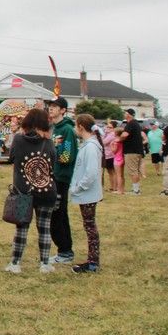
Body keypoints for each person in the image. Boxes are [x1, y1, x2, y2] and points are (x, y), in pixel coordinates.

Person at [4, 108, 57, 274]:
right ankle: (44, 263)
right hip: (47, 190)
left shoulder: (19, 140)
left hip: (23, 191)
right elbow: (53, 163)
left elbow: (11, 157)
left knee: (21, 228)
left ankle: (15, 263)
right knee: (44, 228)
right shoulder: (48, 141)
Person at [70, 114, 104, 273]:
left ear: (81, 127)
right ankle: (92, 260)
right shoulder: (89, 144)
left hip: (87, 193)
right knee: (89, 225)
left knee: (90, 227)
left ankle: (93, 262)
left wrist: (78, 188)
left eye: (75, 126)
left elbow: (90, 174)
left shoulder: (90, 146)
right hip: (87, 193)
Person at [46, 97, 78, 264]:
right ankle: (64, 250)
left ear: (63, 110)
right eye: (50, 106)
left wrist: (50, 156)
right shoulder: (55, 129)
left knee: (57, 215)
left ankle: (65, 251)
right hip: (53, 176)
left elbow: (67, 156)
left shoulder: (66, 130)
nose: (51, 109)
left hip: (61, 178)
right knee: (57, 215)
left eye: (55, 106)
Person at [119, 108, 144, 195]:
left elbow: (125, 134)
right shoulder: (136, 123)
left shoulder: (130, 123)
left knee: (132, 171)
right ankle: (136, 189)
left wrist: (119, 139)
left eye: (125, 113)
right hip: (137, 150)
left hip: (131, 151)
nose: (124, 114)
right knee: (135, 171)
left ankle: (136, 191)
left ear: (129, 115)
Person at [102, 121, 118, 192]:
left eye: (110, 127)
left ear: (114, 128)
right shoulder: (108, 134)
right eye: (107, 127)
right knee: (109, 172)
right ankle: (112, 187)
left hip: (111, 155)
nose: (108, 128)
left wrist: (105, 133)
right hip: (107, 155)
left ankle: (115, 187)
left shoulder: (112, 134)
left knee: (113, 172)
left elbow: (103, 142)